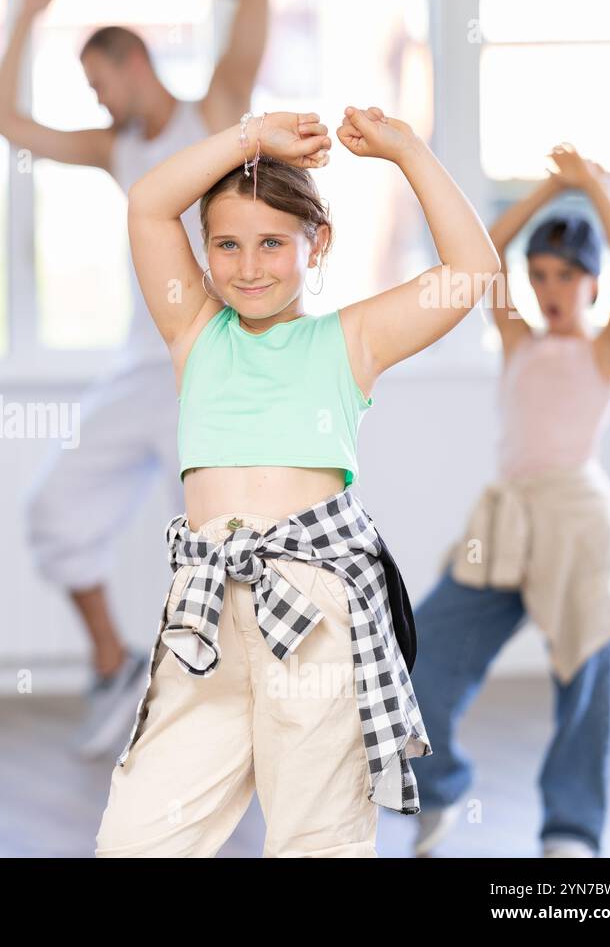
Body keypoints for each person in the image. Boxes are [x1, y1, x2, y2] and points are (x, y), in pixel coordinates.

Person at [94, 105, 501, 857]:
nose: (249, 266)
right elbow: (148, 202)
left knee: (318, 837)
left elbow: (472, 272)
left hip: (314, 611)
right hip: (206, 609)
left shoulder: (351, 340)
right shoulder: (194, 332)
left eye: (273, 243)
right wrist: (250, 138)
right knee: (138, 836)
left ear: (317, 245)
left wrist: (407, 150)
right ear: (206, 252)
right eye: (227, 245)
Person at [0, 0, 270, 758]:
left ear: (133, 62)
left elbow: (251, 16)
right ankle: (113, 666)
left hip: (215, 371)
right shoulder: (118, 148)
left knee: (236, 548)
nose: (96, 99)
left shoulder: (214, 111)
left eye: (96, 81)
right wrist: (24, 17)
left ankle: (251, 715)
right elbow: (4, 124)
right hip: (141, 369)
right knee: (53, 510)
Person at [410, 145, 610, 859]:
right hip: (508, 522)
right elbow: (484, 256)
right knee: (419, 654)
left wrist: (588, 190)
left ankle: (570, 831)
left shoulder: (604, 350)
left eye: (567, 276)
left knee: (586, 685)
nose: (550, 289)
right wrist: (552, 184)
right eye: (540, 275)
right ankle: (439, 788)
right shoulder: (516, 338)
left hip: (579, 526)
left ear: (591, 285)